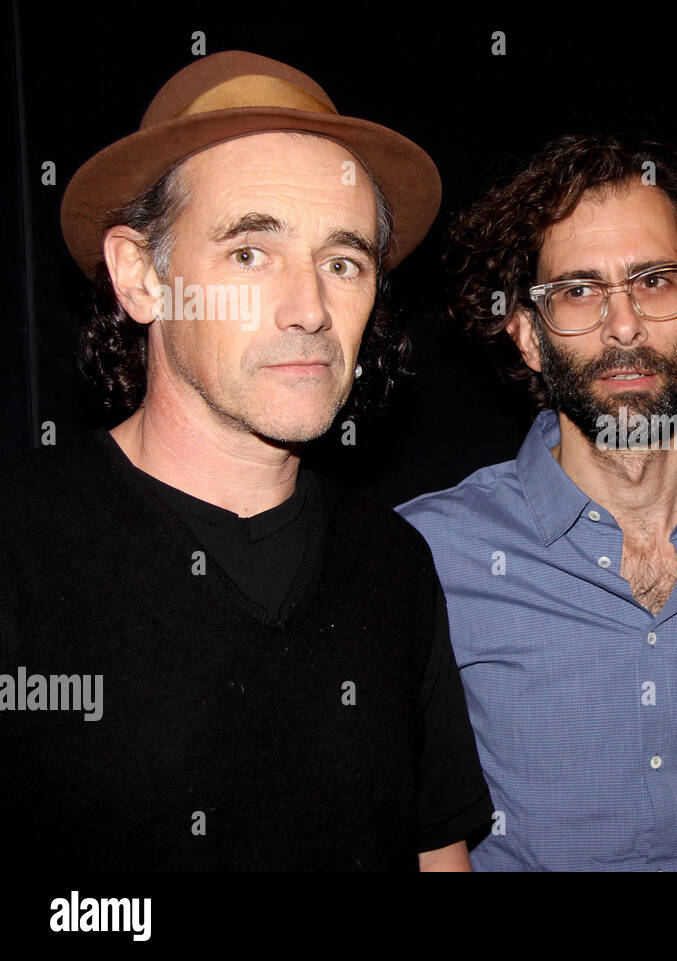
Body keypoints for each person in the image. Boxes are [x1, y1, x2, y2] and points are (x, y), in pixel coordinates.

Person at [0, 51, 492, 870]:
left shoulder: (393, 562)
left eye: (343, 263)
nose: (310, 310)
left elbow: (437, 854)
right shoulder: (16, 544)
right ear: (141, 276)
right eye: (250, 253)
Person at [399, 134, 677, 870]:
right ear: (528, 334)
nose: (622, 326)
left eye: (653, 280)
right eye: (579, 292)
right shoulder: (424, 557)